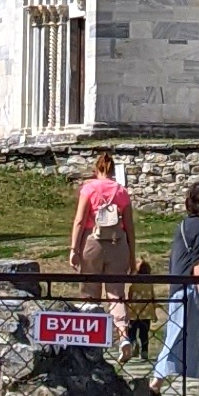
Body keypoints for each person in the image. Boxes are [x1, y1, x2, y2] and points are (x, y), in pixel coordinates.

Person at [147, 180, 199, 396]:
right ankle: (153, 386)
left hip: (178, 289)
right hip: (192, 291)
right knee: (179, 338)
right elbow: (198, 265)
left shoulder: (182, 226)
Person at [68, 149, 134, 352]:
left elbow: (80, 221)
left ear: (96, 170)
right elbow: (130, 227)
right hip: (117, 243)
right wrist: (132, 256)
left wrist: (74, 248)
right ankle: (123, 335)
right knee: (116, 294)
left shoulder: (88, 189)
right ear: (113, 170)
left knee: (89, 293)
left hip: (92, 242)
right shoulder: (122, 192)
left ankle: (90, 340)